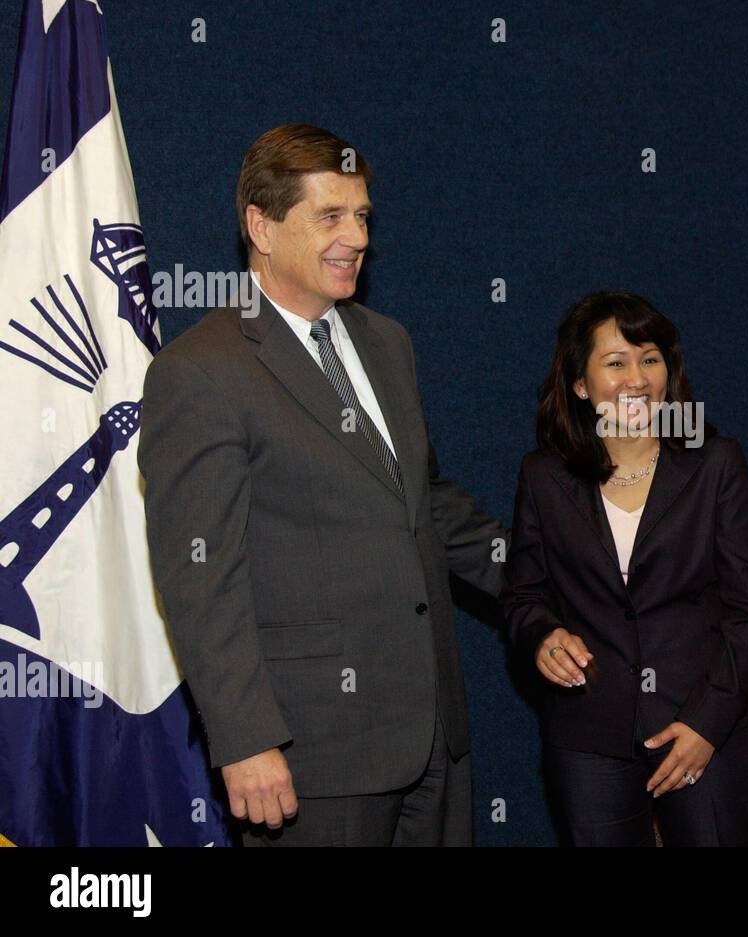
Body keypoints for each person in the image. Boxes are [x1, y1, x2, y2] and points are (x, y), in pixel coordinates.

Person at [139, 124, 504, 846]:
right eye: (330, 216)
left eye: (363, 215)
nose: (357, 236)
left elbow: (424, 504)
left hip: (432, 735)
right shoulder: (200, 370)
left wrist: (562, 578)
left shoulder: (387, 341)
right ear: (261, 226)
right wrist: (245, 738)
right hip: (312, 754)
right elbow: (199, 576)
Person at [502, 291, 748, 846]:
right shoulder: (543, 477)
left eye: (650, 359)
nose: (637, 378)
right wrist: (541, 636)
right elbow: (523, 596)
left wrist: (707, 724)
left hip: (700, 728)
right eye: (615, 362)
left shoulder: (716, 464)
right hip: (588, 735)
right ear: (580, 383)